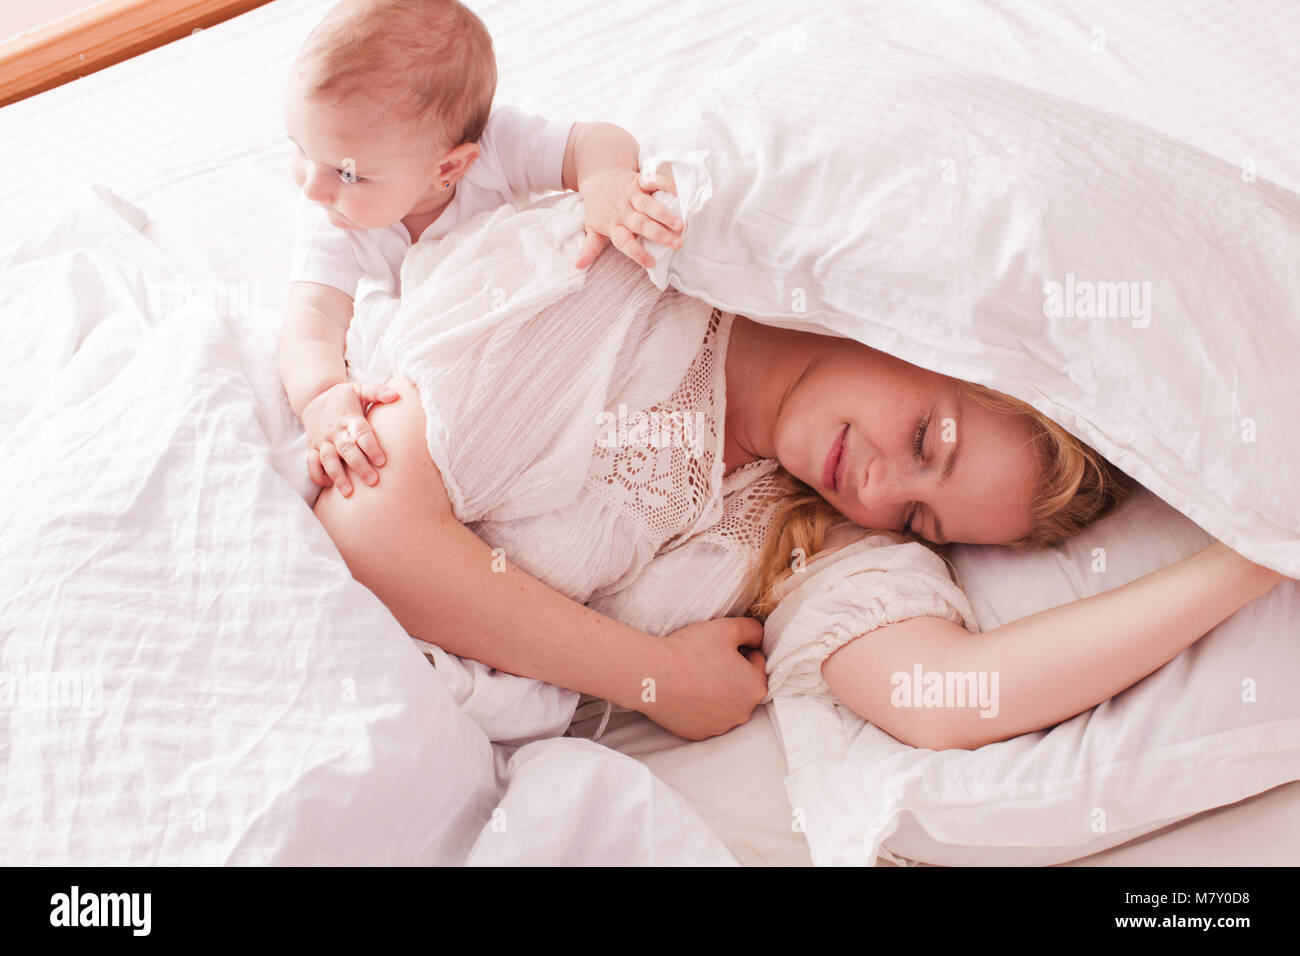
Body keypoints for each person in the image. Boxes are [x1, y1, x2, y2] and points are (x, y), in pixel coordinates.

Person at [308, 199, 1286, 746]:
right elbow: (372, 525)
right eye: (927, 440)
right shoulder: (624, 279)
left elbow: (943, 692)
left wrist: (1256, 555)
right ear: (927, 338)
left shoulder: (803, 523)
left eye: (921, 516)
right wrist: (652, 676)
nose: (876, 487)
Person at [278, 0, 682, 498]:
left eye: (346, 173)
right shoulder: (333, 219)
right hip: (450, 345)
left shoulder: (496, 148)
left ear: (449, 168)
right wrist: (321, 395)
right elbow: (311, 315)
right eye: (298, 147)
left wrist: (606, 182)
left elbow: (591, 142)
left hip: (523, 309)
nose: (310, 187)